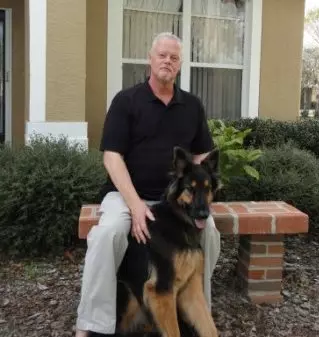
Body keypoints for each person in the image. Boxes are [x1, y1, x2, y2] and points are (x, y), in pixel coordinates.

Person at [75, 32, 221, 337]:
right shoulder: (126, 101)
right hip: (125, 194)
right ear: (150, 60)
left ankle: (192, 314)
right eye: (162, 55)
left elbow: (203, 154)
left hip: (173, 200)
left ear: (180, 64)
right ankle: (91, 324)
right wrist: (135, 204)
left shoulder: (192, 105)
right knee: (107, 235)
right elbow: (112, 158)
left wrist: (202, 190)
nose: (167, 61)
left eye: (174, 57)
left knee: (210, 235)